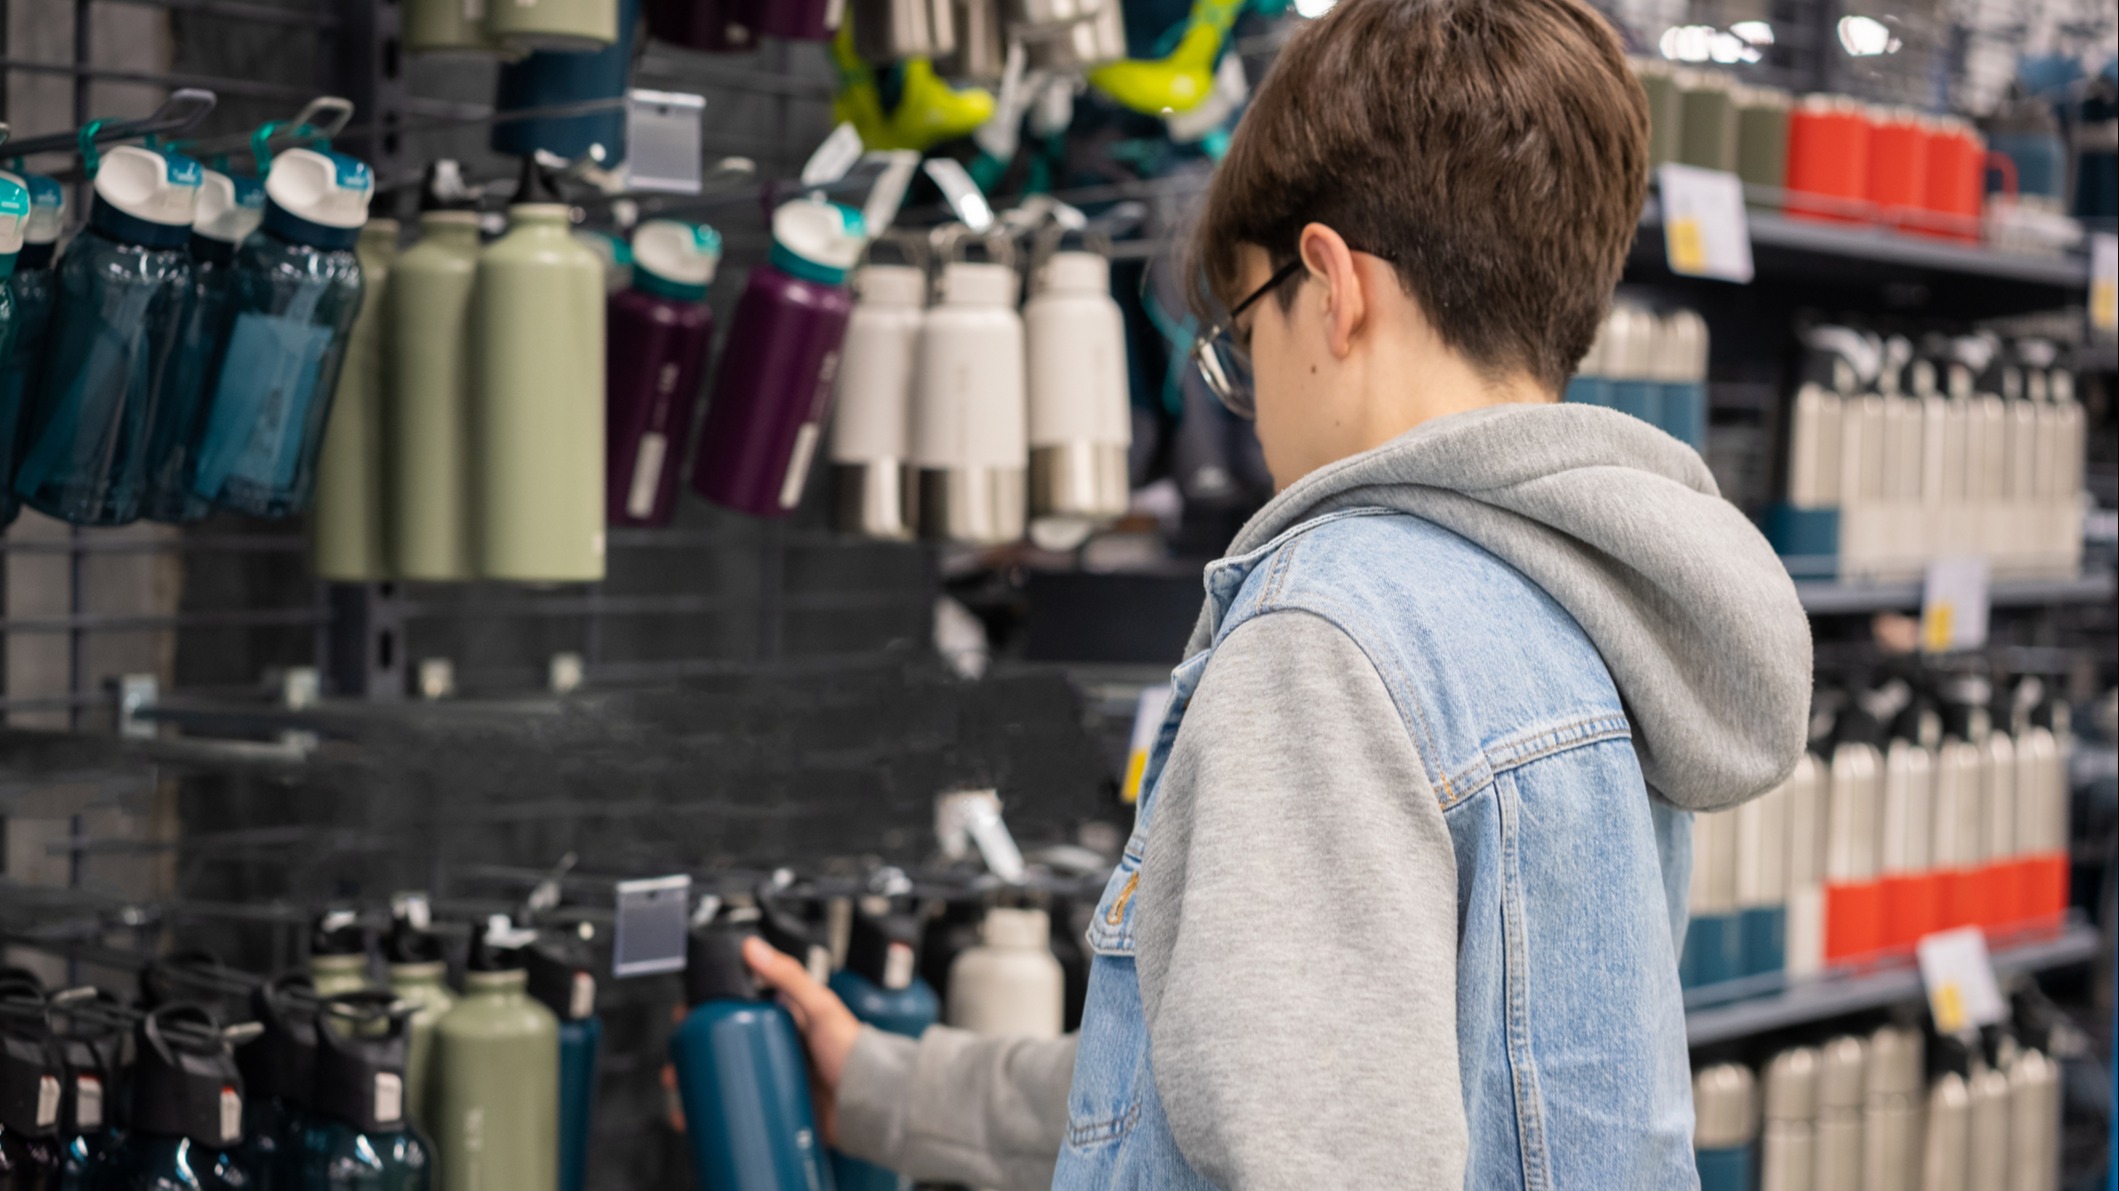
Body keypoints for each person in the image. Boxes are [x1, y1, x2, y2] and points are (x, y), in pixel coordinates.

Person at [745, 0, 1813, 1185]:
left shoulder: (1329, 633)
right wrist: (900, 1091)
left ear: (1331, 288)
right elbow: (1262, 1084)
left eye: (1240, 332)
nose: (1247, 394)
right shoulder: (1581, 609)